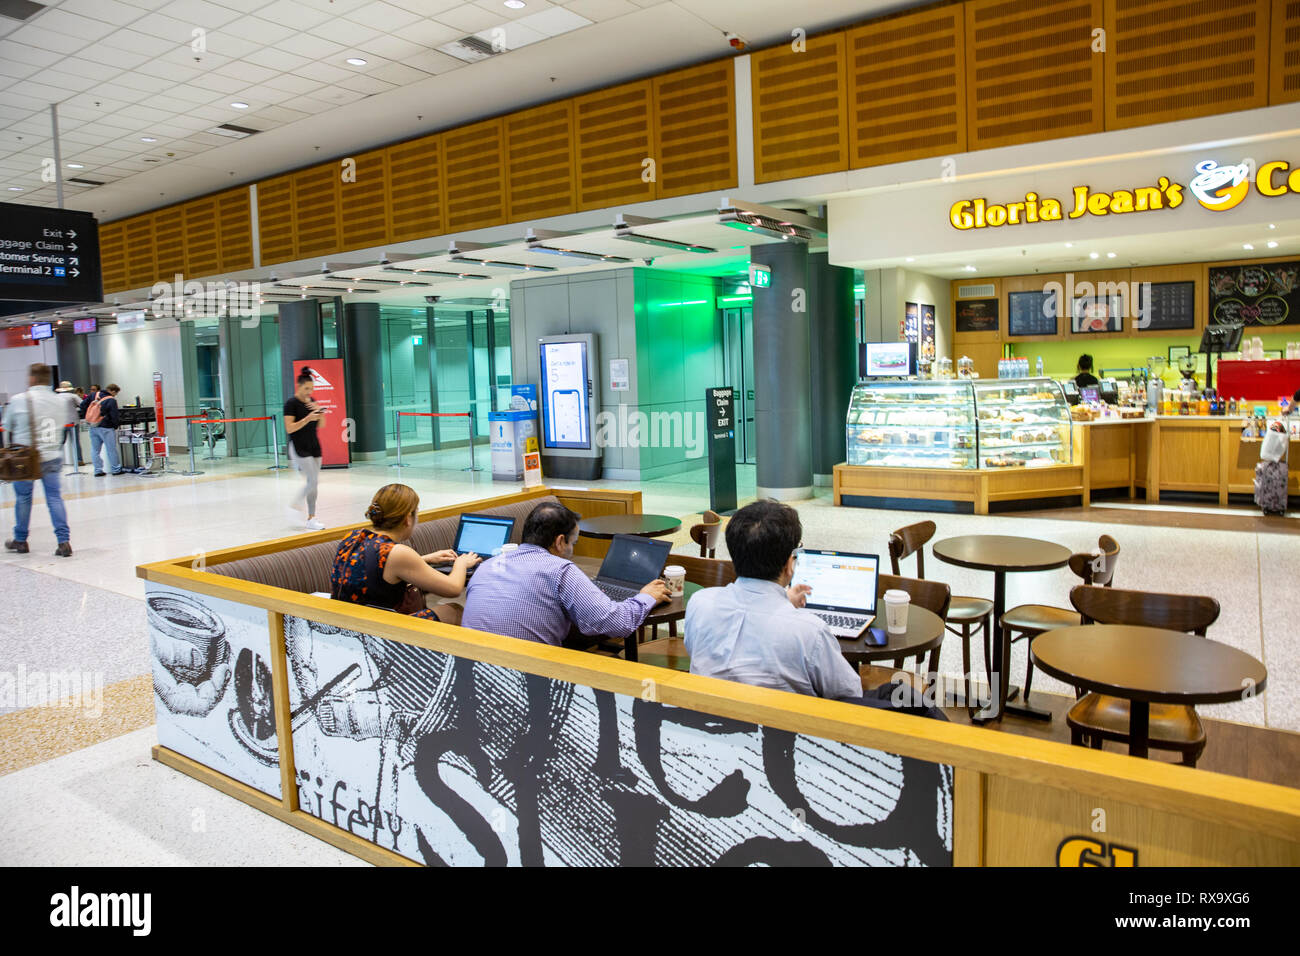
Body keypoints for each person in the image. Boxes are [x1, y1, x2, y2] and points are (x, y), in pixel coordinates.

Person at [684, 499, 945, 718]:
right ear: (790, 564)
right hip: (791, 742)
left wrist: (782, 601)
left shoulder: (701, 604)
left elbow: (744, 627)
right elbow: (848, 696)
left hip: (715, 725)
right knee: (904, 696)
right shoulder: (810, 631)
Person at [462, 500, 671, 646]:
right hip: (530, 679)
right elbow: (617, 624)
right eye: (574, 543)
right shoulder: (559, 570)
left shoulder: (487, 566)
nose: (572, 551)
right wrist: (646, 596)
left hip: (473, 672)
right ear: (560, 541)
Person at [331, 484, 478, 625]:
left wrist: (425, 559)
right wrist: (461, 563)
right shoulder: (397, 552)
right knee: (454, 611)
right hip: (378, 629)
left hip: (345, 620)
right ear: (408, 519)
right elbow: (453, 589)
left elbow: (375, 568)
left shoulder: (353, 537)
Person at [3, 363, 73, 556]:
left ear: (32, 378)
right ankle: (64, 541)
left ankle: (20, 540)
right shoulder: (60, 401)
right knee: (54, 498)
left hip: (25, 459)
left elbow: (7, 425)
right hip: (53, 455)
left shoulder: (19, 400)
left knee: (24, 498)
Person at [284, 367, 325, 530]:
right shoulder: (291, 404)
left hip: (314, 446)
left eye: (311, 389)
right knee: (313, 480)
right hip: (299, 447)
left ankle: (311, 517)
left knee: (313, 483)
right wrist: (308, 418)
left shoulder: (312, 402)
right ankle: (294, 505)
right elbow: (290, 428)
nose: (309, 392)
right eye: (306, 388)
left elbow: (321, 424)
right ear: (298, 386)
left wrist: (319, 413)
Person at [85, 383, 124, 476]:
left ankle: (98, 470)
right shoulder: (111, 400)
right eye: (115, 393)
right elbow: (114, 416)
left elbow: (83, 405)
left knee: (95, 450)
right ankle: (116, 469)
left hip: (93, 426)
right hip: (106, 427)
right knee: (111, 449)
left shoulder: (94, 395)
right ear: (113, 391)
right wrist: (115, 426)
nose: (115, 395)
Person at [55, 381, 83, 465]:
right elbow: (82, 404)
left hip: (61, 423)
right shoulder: (73, 396)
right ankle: (79, 460)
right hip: (73, 422)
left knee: (60, 442)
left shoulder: (55, 397)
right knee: (75, 442)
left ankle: (56, 460)